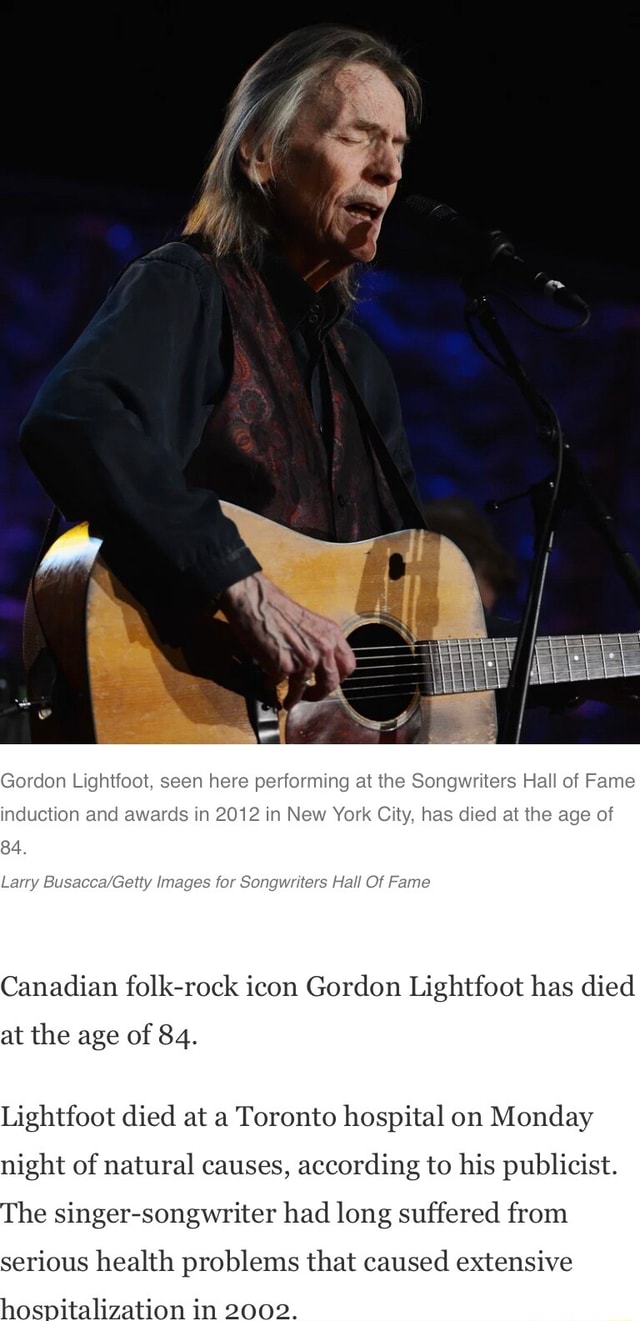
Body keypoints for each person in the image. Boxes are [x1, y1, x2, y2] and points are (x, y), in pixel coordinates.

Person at [19, 24, 423, 712]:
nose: (389, 170)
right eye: (358, 137)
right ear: (263, 154)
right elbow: (75, 419)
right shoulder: (189, 286)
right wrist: (237, 582)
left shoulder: (363, 370)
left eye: (400, 147)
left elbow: (405, 596)